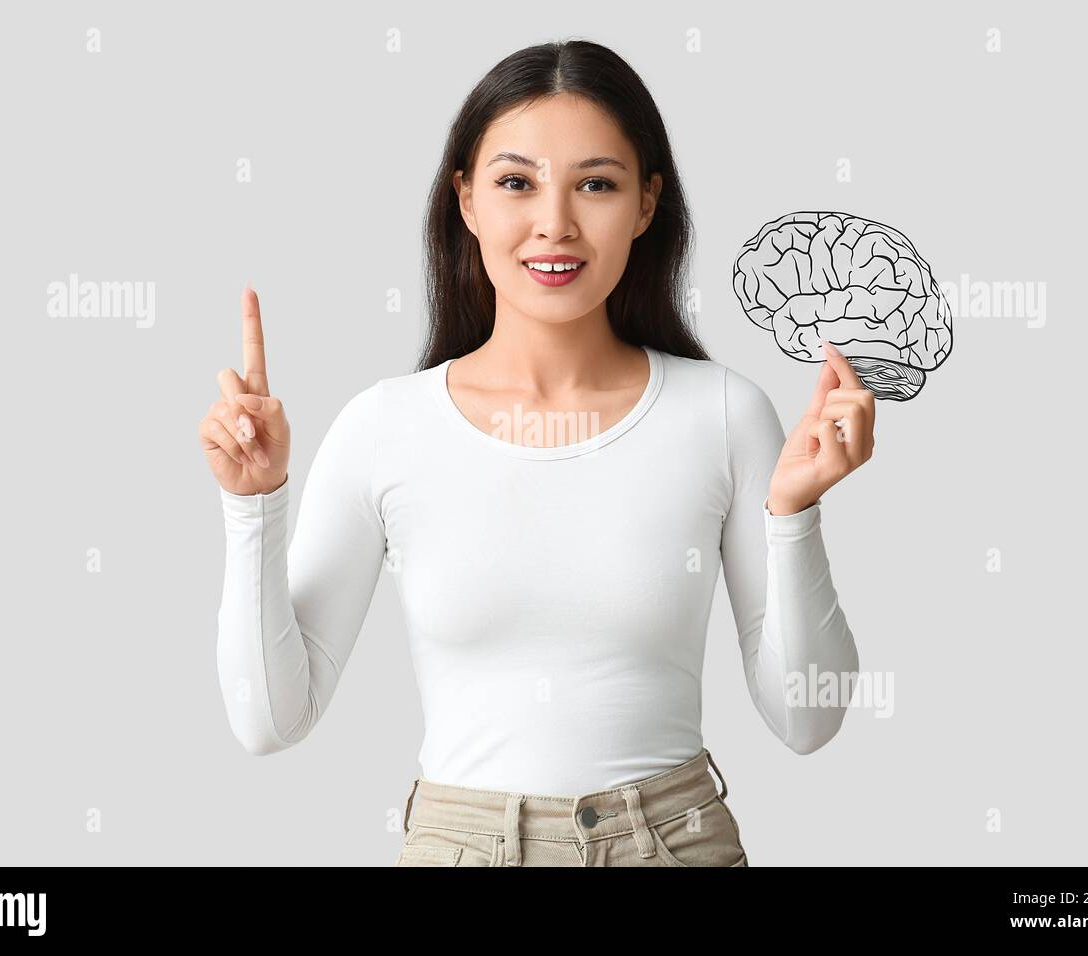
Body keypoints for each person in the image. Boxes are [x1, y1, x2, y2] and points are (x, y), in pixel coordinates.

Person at [198, 40, 872, 867]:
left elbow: (810, 721)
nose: (555, 221)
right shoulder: (385, 428)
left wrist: (794, 514)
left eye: (596, 183)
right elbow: (269, 721)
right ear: (467, 200)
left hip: (674, 842)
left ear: (648, 203)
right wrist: (253, 505)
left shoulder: (725, 413)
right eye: (517, 182)